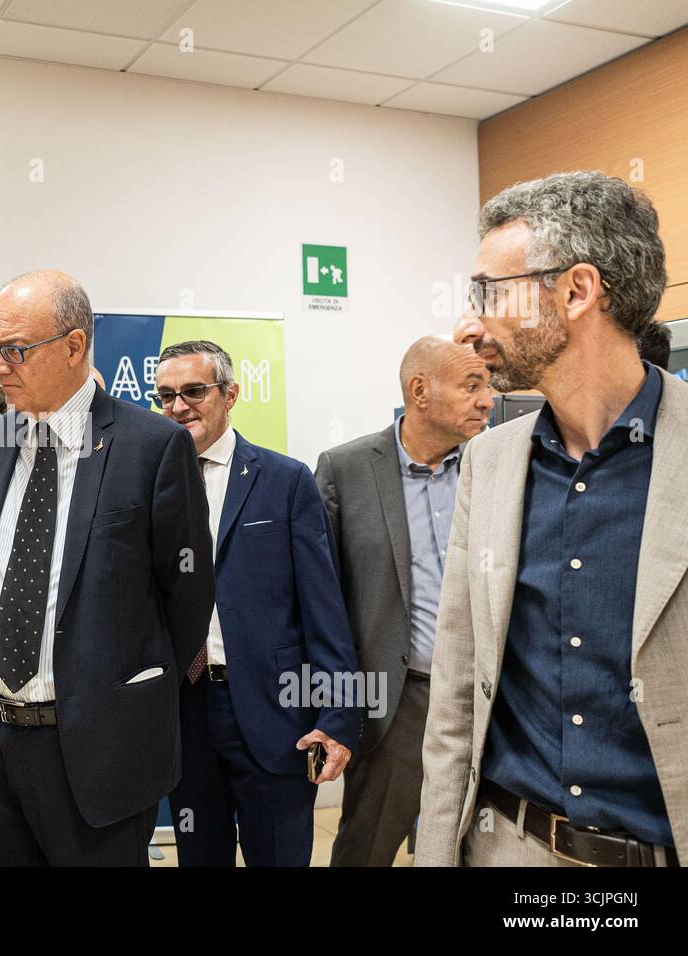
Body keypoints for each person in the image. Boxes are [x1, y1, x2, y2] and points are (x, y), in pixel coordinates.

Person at [420, 170, 687, 867]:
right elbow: (454, 697)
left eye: (487, 292)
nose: (466, 324)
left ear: (576, 291)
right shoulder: (490, 463)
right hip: (510, 847)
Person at [0, 269, 214, 866]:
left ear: (73, 346)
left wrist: (123, 689)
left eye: (15, 351)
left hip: (97, 746)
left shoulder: (152, 446)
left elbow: (188, 593)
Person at [154, 340, 359, 866]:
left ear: (230, 394)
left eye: (193, 391)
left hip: (274, 714)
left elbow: (324, 609)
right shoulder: (149, 484)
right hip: (185, 710)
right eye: (166, 396)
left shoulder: (284, 480)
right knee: (200, 857)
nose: (179, 407)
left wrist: (338, 717)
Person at [316, 336, 492, 866]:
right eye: (471, 385)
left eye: (487, 384)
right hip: (398, 699)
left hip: (487, 696)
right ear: (419, 390)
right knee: (367, 845)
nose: (487, 399)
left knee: (477, 839)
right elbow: (321, 600)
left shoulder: (498, 462)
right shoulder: (345, 468)